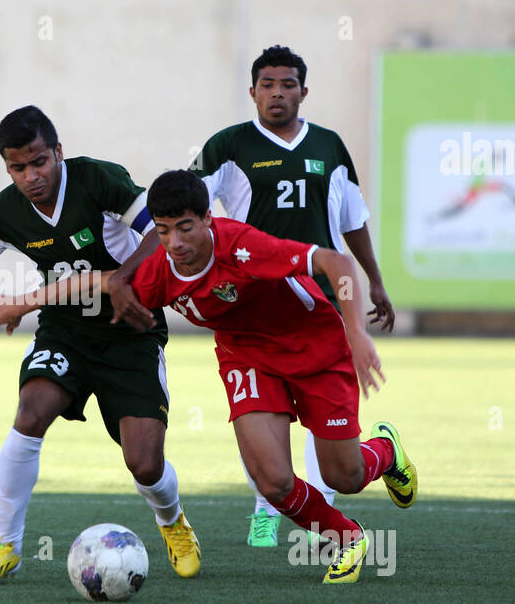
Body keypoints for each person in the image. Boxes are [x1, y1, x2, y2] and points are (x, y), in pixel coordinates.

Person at [0, 170, 417, 584]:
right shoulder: (161, 266)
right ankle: (347, 539)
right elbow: (100, 280)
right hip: (247, 358)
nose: (175, 242)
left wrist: (357, 333)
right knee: (274, 481)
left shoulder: (243, 247)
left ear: (209, 218)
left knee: (345, 475)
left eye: (186, 227)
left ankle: (385, 450)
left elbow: (336, 263)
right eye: (163, 230)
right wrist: (25, 302)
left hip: (316, 351)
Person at [0, 106, 201, 583]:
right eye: (17, 168)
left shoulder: (100, 180)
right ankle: (6, 545)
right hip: (65, 331)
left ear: (58, 153)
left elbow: (157, 233)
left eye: (39, 162)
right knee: (31, 411)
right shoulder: (1, 214)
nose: (31, 176)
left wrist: (125, 279)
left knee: (144, 462)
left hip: (133, 333)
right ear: (6, 167)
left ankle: (173, 524)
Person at [112, 44, 396, 548]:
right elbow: (178, 205)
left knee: (341, 474)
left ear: (303, 91)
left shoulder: (329, 146)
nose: (277, 93)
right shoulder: (228, 145)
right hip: (241, 306)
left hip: (317, 306)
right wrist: (126, 273)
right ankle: (287, 515)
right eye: (267, 84)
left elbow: (351, 223)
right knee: (271, 467)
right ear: (252, 92)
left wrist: (373, 283)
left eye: (287, 84)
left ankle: (376, 457)